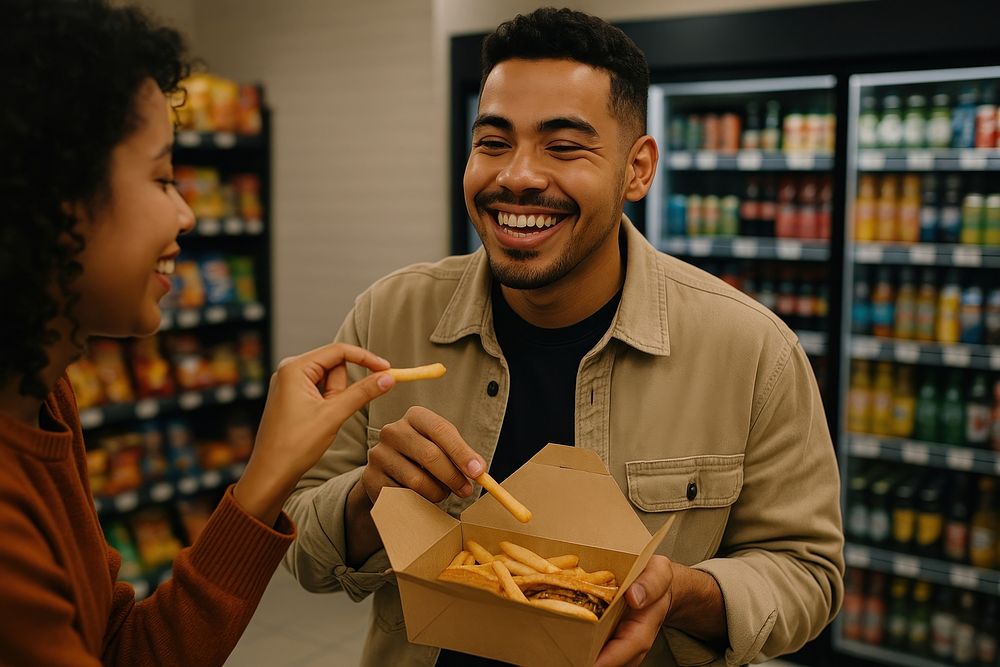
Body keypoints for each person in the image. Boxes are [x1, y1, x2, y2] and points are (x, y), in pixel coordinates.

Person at [283, 7, 844, 666]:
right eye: (493, 142)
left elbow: (808, 573)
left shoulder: (753, 351)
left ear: (637, 169)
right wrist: (366, 499)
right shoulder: (388, 317)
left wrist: (678, 592)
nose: (516, 175)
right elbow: (300, 547)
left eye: (564, 146)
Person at [0, 1, 396, 665]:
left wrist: (268, 473)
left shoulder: (43, 394)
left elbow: (122, 648)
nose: (185, 214)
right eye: (161, 178)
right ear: (52, 199)